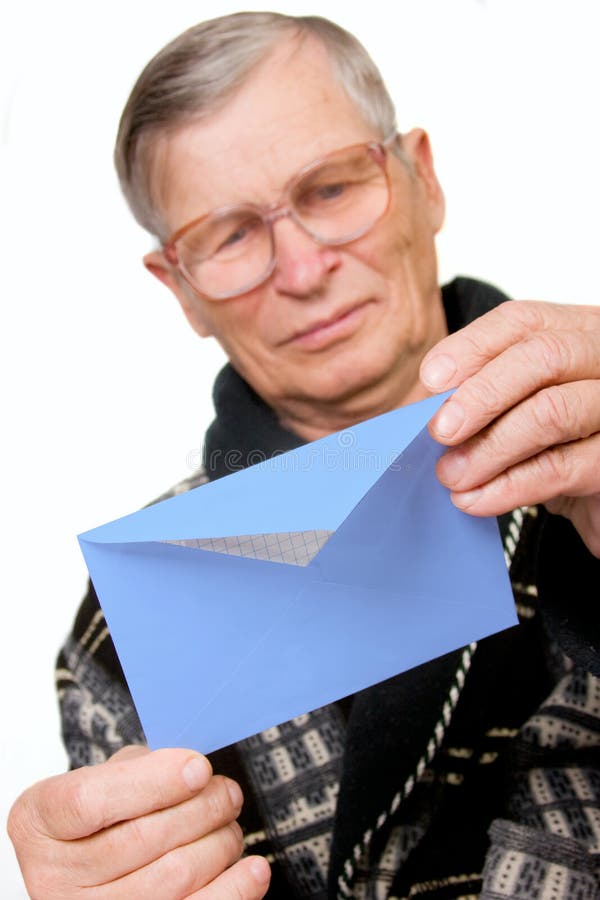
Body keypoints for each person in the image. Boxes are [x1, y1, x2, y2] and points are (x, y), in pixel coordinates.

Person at [7, 11, 600, 900]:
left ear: (424, 179)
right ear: (181, 290)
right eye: (232, 235)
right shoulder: (124, 634)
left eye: (329, 188)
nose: (303, 267)